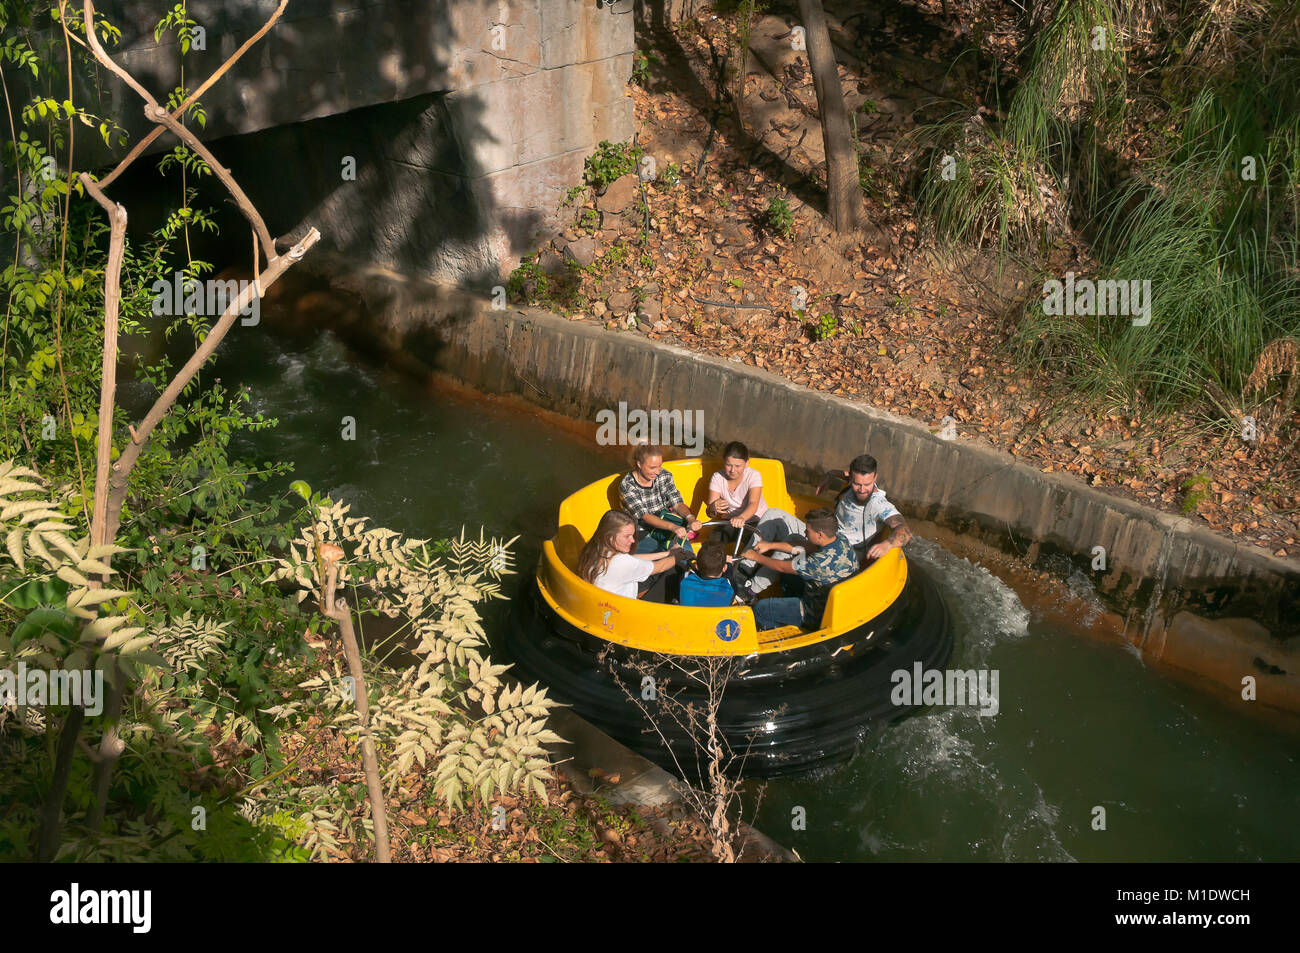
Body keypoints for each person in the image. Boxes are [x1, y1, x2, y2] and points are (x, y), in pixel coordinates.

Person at [706, 441, 803, 595]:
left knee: (755, 541)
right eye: (729, 465)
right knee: (715, 537)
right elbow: (710, 512)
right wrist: (712, 507)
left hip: (755, 521)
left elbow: (753, 504)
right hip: (731, 522)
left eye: (737, 466)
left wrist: (741, 517)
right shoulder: (717, 477)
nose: (732, 470)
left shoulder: (754, 475)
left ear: (747, 463)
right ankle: (711, 575)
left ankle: (742, 578)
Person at [740, 507, 857, 631]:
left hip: (815, 613)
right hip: (832, 598)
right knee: (787, 577)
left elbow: (782, 566)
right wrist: (770, 545)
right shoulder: (840, 540)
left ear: (820, 535)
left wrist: (756, 557)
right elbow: (806, 546)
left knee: (760, 608)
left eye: (808, 531)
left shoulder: (818, 563)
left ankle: (774, 632)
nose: (805, 533)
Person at [815, 453, 913, 564]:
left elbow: (905, 530)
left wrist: (888, 544)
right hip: (826, 537)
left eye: (867, 484)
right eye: (857, 484)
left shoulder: (878, 504)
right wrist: (831, 474)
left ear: (875, 477)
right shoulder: (854, 480)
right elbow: (845, 475)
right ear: (852, 478)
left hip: (844, 555)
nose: (862, 490)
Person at [578, 510, 685, 602]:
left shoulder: (596, 549)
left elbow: (632, 559)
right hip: (628, 608)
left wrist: (667, 553)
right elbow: (659, 567)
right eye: (627, 536)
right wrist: (679, 556)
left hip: (610, 596)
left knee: (661, 564)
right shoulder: (621, 562)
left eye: (632, 535)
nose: (633, 540)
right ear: (610, 537)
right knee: (674, 569)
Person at [619, 444, 702, 554]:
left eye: (659, 466)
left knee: (685, 553)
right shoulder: (627, 485)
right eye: (652, 468)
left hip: (665, 524)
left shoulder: (665, 475)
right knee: (660, 555)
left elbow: (677, 502)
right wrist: (672, 527)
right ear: (639, 464)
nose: (658, 472)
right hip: (641, 531)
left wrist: (690, 518)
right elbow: (645, 516)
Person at [678, 541, 735, 608]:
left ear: (696, 566)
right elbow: (729, 576)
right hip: (714, 618)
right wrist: (729, 564)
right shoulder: (729, 587)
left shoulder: (685, 578)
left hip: (687, 617)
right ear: (724, 568)